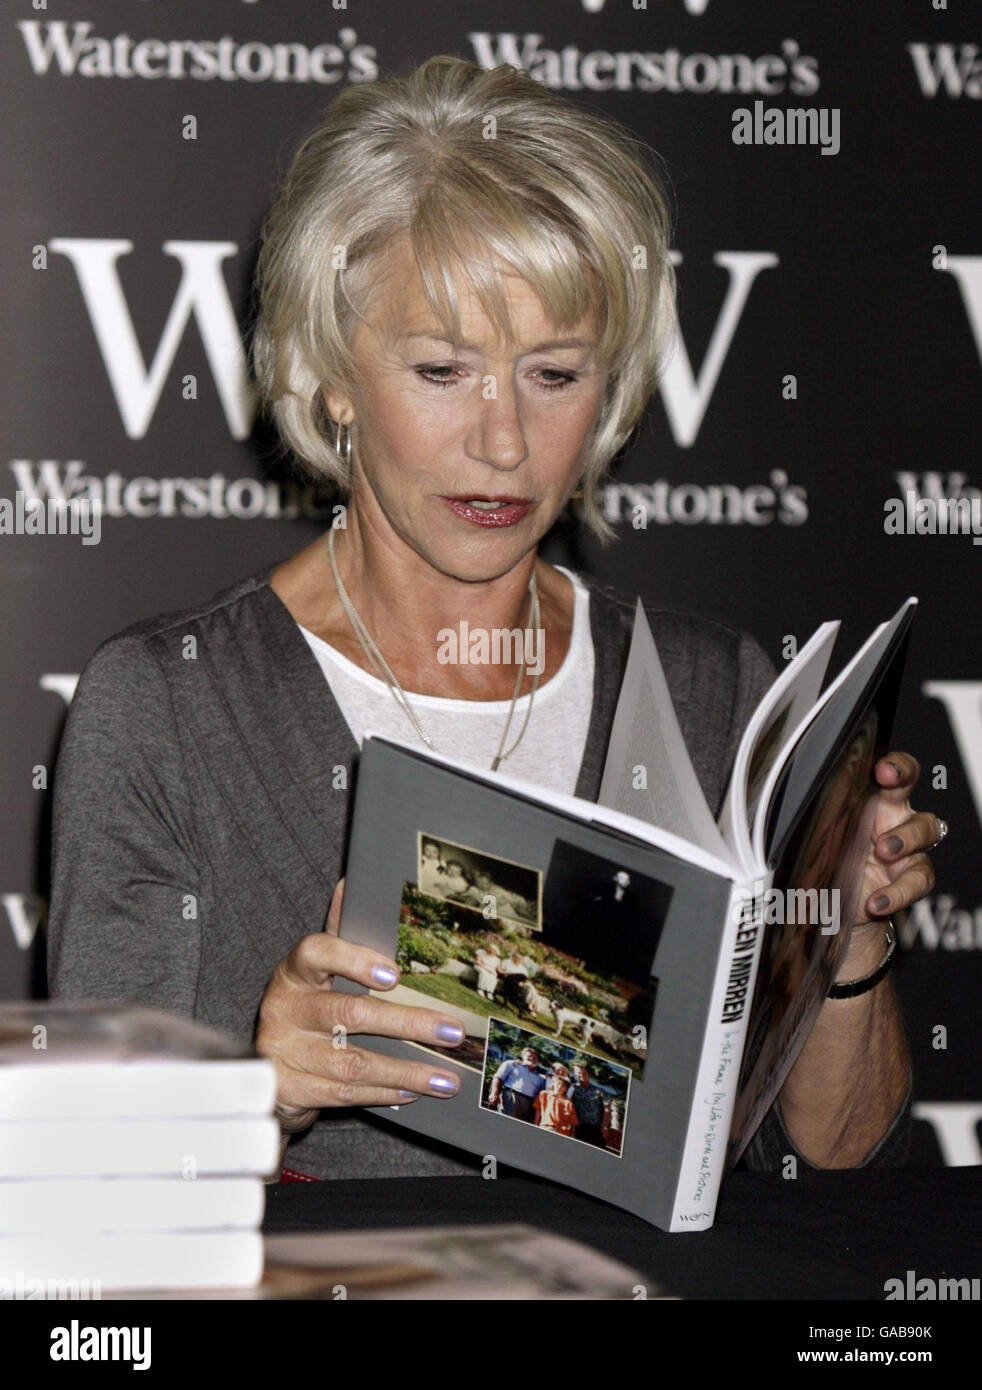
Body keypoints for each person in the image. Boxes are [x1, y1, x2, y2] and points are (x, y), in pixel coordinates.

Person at [47, 57, 942, 1184]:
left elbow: (839, 1145)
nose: (504, 442)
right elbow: (89, 1187)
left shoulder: (716, 693)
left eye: (554, 374)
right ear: (330, 377)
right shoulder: (172, 706)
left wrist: (847, 936)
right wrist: (257, 1092)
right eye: (440, 368)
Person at [487, 1046, 547, 1123]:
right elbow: (498, 1078)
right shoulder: (512, 1064)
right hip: (510, 1097)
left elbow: (541, 1095)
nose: (532, 1058)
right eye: (529, 1056)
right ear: (522, 1056)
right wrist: (494, 1093)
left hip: (528, 1104)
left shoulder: (540, 1078)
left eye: (535, 1057)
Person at [565, 1064, 609, 1148]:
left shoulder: (599, 1090)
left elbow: (607, 1109)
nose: (581, 1075)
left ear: (588, 1073)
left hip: (595, 1128)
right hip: (578, 1128)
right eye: (578, 1073)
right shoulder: (573, 1088)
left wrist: (605, 1125)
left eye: (584, 1072)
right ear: (575, 1074)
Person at [534, 1064, 579, 1137]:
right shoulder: (544, 1094)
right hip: (546, 1126)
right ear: (553, 1084)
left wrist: (572, 1135)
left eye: (563, 1086)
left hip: (561, 1131)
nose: (560, 1086)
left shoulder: (568, 1102)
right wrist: (535, 1124)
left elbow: (572, 1121)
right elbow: (538, 1110)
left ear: (566, 1089)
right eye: (558, 1084)